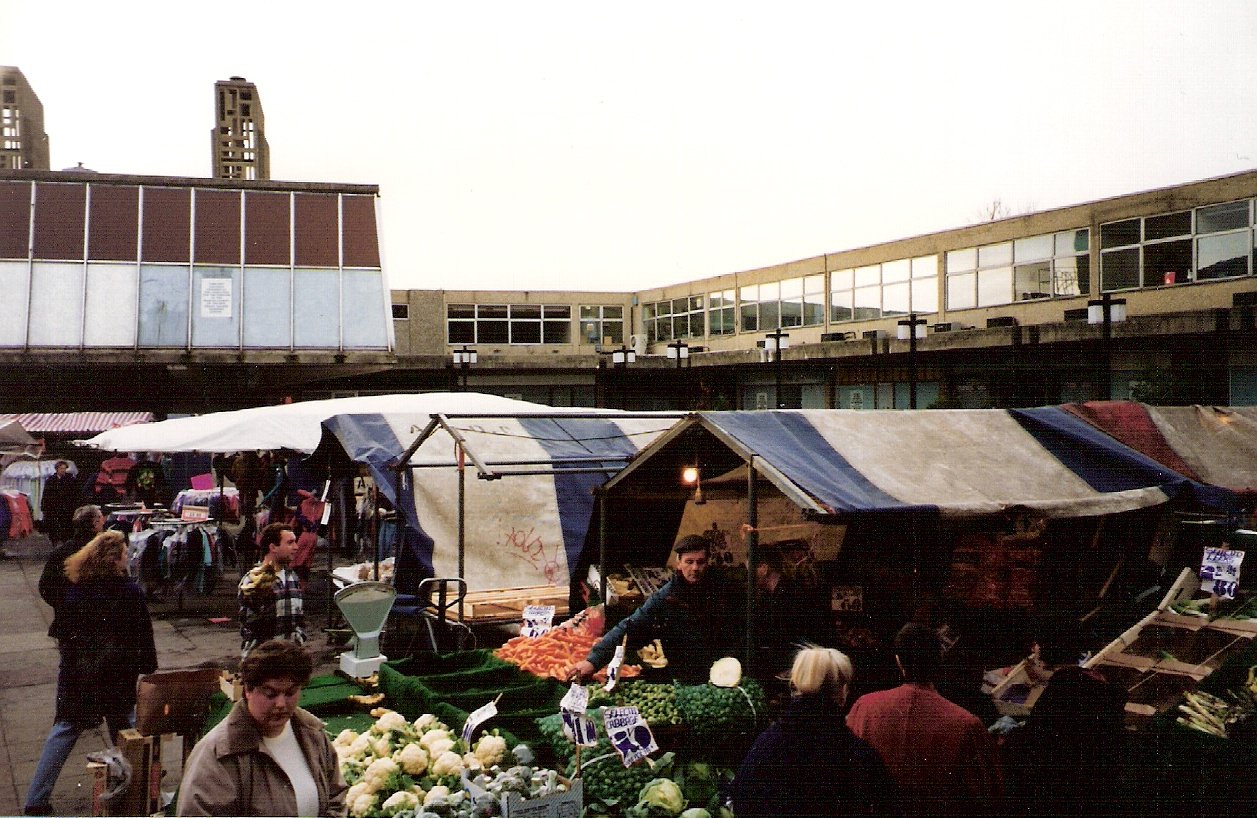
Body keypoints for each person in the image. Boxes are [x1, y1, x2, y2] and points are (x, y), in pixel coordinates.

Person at [24, 530, 158, 816]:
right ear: (114, 560)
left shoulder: (77, 590)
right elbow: (143, 637)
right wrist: (146, 668)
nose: (128, 557)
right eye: (125, 553)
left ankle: (36, 799)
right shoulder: (129, 592)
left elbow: (64, 635)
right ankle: (137, 792)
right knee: (126, 733)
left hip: (79, 676)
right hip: (117, 676)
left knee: (64, 731)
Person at [846, 622, 1003, 817]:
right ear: (939, 660)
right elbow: (991, 794)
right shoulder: (967, 724)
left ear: (898, 661)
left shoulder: (864, 707)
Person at [177, 639, 347, 817]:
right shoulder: (217, 755)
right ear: (248, 690)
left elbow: (336, 797)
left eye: (290, 693)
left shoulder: (312, 734)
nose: (281, 704)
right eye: (270, 694)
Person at [732, 645, 902, 817]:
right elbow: (888, 806)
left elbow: (741, 800)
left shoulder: (766, 746)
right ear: (842, 692)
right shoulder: (858, 754)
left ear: (796, 686)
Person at [567, 534, 737, 683]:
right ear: (678, 563)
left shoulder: (723, 589)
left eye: (700, 562)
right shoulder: (667, 596)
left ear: (707, 563)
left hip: (725, 671)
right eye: (689, 562)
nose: (695, 568)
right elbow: (631, 626)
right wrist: (593, 661)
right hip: (684, 676)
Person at [1000, 621, 1127, 817]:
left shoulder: (1060, 691)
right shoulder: (1095, 681)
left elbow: (1036, 745)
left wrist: (1008, 736)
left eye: (1038, 644)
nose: (1035, 649)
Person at [37, 504, 104, 643]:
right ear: (95, 523)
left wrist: (63, 605)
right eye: (101, 518)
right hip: (99, 624)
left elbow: (45, 586)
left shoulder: (61, 552)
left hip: (67, 624)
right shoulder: (103, 552)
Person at [239, 522, 306, 658]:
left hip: (290, 659)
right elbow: (249, 627)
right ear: (273, 547)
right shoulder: (252, 581)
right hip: (263, 661)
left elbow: (299, 620)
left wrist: (298, 642)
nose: (296, 547)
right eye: (290, 543)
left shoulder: (292, 577)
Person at [40, 461, 79, 544]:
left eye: (64, 468)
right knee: (54, 527)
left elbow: (75, 494)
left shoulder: (70, 479)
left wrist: (74, 506)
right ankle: (54, 542)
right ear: (57, 469)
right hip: (54, 508)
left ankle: (66, 542)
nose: (63, 470)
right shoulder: (50, 480)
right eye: (61, 468)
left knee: (66, 527)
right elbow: (46, 494)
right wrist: (44, 507)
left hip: (67, 508)